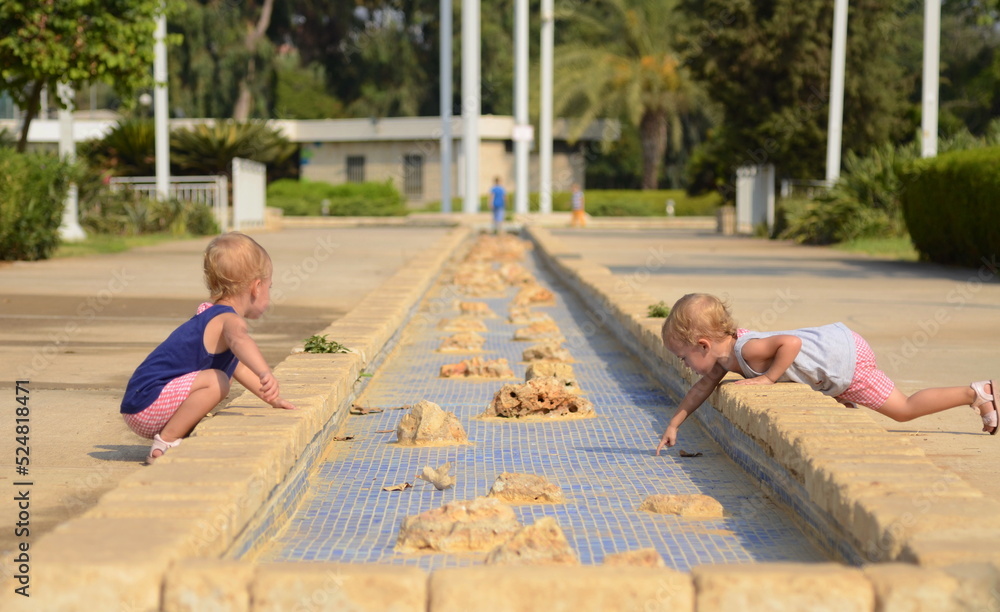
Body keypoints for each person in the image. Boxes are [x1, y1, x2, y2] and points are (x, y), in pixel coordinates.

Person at [655, 293, 997, 454]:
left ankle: (975, 393)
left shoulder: (746, 350)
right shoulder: (721, 359)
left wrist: (769, 378)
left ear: (702, 345)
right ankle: (979, 394)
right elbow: (701, 390)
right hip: (836, 351)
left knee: (903, 410)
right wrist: (674, 424)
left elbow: (789, 344)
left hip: (843, 358)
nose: (684, 365)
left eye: (683, 357)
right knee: (887, 404)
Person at [120, 232, 295, 463]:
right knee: (217, 380)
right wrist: (265, 372)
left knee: (225, 375)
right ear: (257, 287)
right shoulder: (228, 320)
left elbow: (239, 366)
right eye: (270, 288)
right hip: (147, 405)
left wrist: (273, 399)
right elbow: (240, 341)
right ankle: (164, 443)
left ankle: (176, 434)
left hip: (141, 402)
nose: (270, 294)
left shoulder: (211, 314)